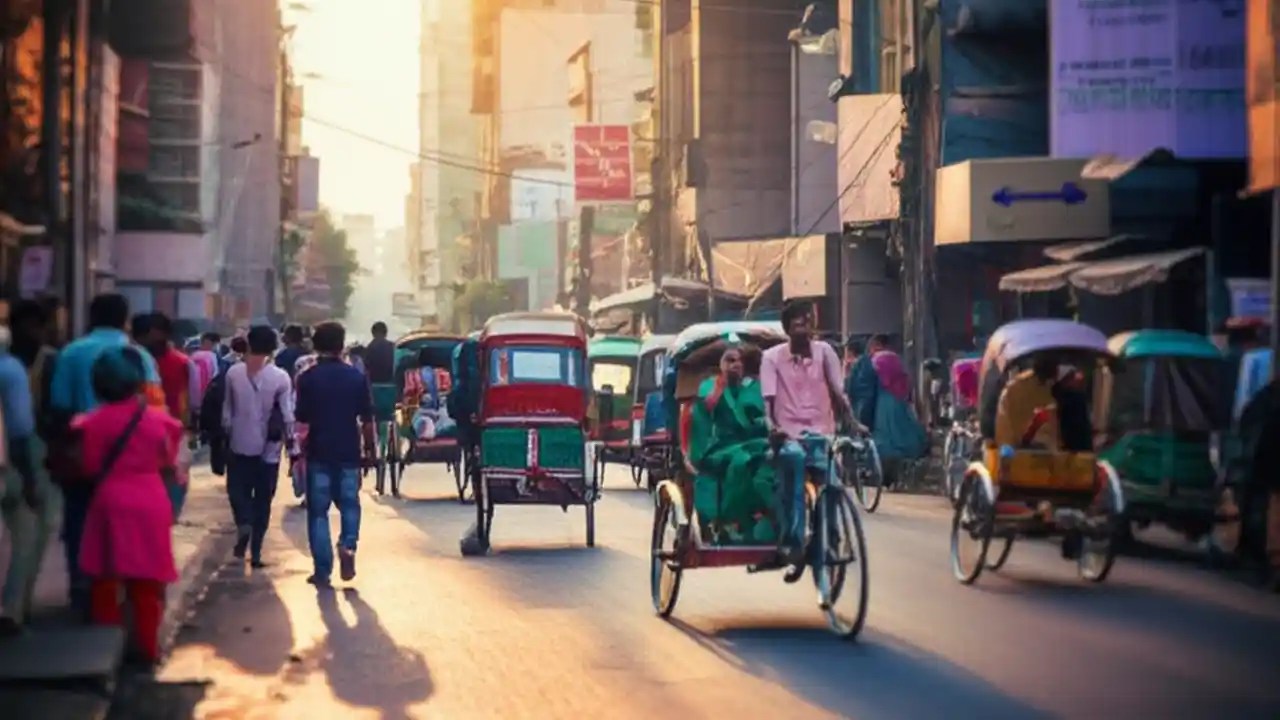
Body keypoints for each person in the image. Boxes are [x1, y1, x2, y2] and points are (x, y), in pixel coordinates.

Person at [48, 293, 164, 615]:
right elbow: (154, 408)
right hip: (131, 461)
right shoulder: (139, 355)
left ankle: (83, 589)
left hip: (83, 457)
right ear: (125, 320)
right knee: (129, 530)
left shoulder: (71, 353)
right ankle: (125, 592)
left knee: (80, 522)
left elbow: (59, 407)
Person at [75, 347, 181, 666]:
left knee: (106, 580)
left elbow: (90, 466)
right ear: (137, 383)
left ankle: (104, 654)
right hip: (151, 500)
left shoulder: (90, 424)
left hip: (109, 501)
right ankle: (148, 650)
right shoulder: (162, 423)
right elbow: (168, 463)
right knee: (148, 584)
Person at [761, 301, 852, 561]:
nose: (805, 330)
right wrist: (772, 428)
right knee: (794, 464)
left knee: (833, 480)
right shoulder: (771, 358)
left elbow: (839, 393)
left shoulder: (825, 352)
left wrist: (854, 424)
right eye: (798, 324)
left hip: (823, 432)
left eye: (808, 323)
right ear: (787, 329)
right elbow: (767, 404)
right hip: (788, 435)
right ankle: (793, 539)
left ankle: (832, 539)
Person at [295, 321, 375, 587]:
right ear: (341, 346)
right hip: (349, 450)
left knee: (318, 512)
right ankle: (348, 545)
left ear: (316, 346)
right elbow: (367, 419)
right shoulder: (356, 377)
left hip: (318, 451)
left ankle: (322, 570)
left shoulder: (307, 378)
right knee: (350, 504)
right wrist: (371, 450)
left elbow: (302, 417)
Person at [221, 325, 295, 567]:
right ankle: (257, 553)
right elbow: (287, 416)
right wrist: (292, 449)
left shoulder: (234, 373)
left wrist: (228, 436)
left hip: (239, 444)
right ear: (274, 348)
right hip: (269, 450)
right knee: (263, 500)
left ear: (249, 345)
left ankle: (243, 522)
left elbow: (227, 414)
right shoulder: (281, 377)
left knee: (237, 491)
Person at [687, 338, 773, 543]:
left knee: (773, 458)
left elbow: (763, 418)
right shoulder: (710, 387)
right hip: (718, 447)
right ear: (720, 365)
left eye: (739, 360)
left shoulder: (753, 387)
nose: (736, 364)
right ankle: (730, 521)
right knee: (741, 462)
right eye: (730, 360)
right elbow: (701, 422)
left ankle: (770, 519)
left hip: (752, 443)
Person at [0, 319, 54, 633]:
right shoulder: (10, 371)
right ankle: (14, 607)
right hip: (10, 466)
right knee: (27, 535)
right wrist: (31, 478)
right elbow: (20, 430)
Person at [844, 339, 878, 431]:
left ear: (851, 351)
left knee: (860, 428)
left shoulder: (856, 365)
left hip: (859, 402)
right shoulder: (869, 362)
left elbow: (850, 385)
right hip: (870, 400)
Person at [189, 332, 221, 411]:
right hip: (207, 398)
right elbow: (213, 375)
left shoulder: (192, 356)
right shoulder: (211, 357)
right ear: (209, 343)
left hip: (190, 398)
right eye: (215, 344)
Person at [365, 321, 395, 385]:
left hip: (373, 385)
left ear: (373, 333)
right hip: (390, 385)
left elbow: (366, 368)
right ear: (386, 333)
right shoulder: (393, 347)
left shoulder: (370, 347)